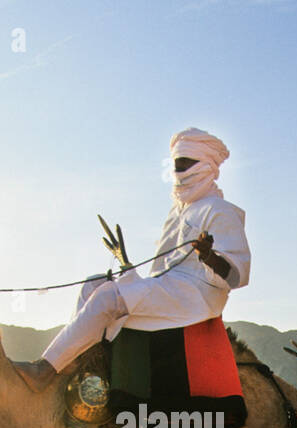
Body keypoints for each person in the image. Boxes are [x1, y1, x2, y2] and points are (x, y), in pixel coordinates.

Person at [15, 127, 250, 391]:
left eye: (187, 164)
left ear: (206, 165)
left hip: (197, 295)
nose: (180, 171)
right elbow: (161, 275)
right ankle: (74, 362)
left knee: (108, 297)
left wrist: (209, 257)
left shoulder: (220, 211)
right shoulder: (177, 213)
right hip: (171, 287)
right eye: (176, 165)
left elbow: (236, 276)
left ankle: (44, 370)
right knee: (94, 284)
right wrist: (127, 268)